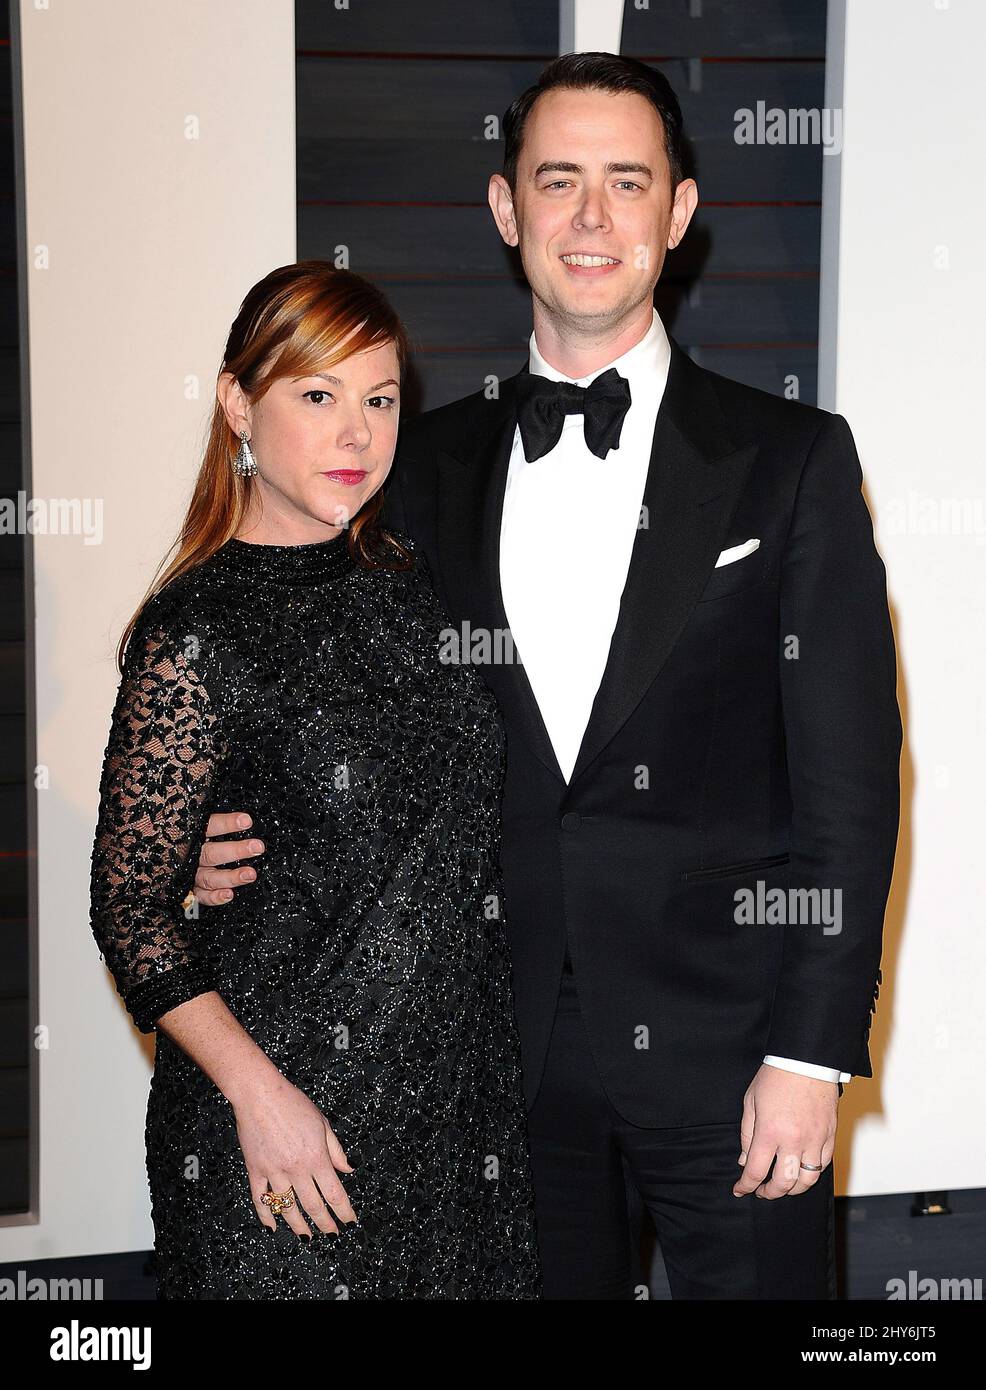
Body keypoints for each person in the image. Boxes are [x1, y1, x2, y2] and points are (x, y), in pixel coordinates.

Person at [193, 55, 902, 1299]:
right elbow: (313, 695)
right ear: (504, 209)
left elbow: (851, 783)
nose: (589, 217)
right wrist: (210, 840)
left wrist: (810, 1051)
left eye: (625, 183)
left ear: (676, 215)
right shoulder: (421, 465)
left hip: (735, 1056)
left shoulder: (787, 459)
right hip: (487, 1057)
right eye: (556, 180)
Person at [89, 263, 541, 1300]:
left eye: (378, 400)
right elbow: (128, 913)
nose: (357, 434)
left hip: (453, 1130)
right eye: (318, 395)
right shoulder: (194, 634)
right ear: (239, 403)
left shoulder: (414, 585)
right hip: (290, 1135)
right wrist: (262, 1099)